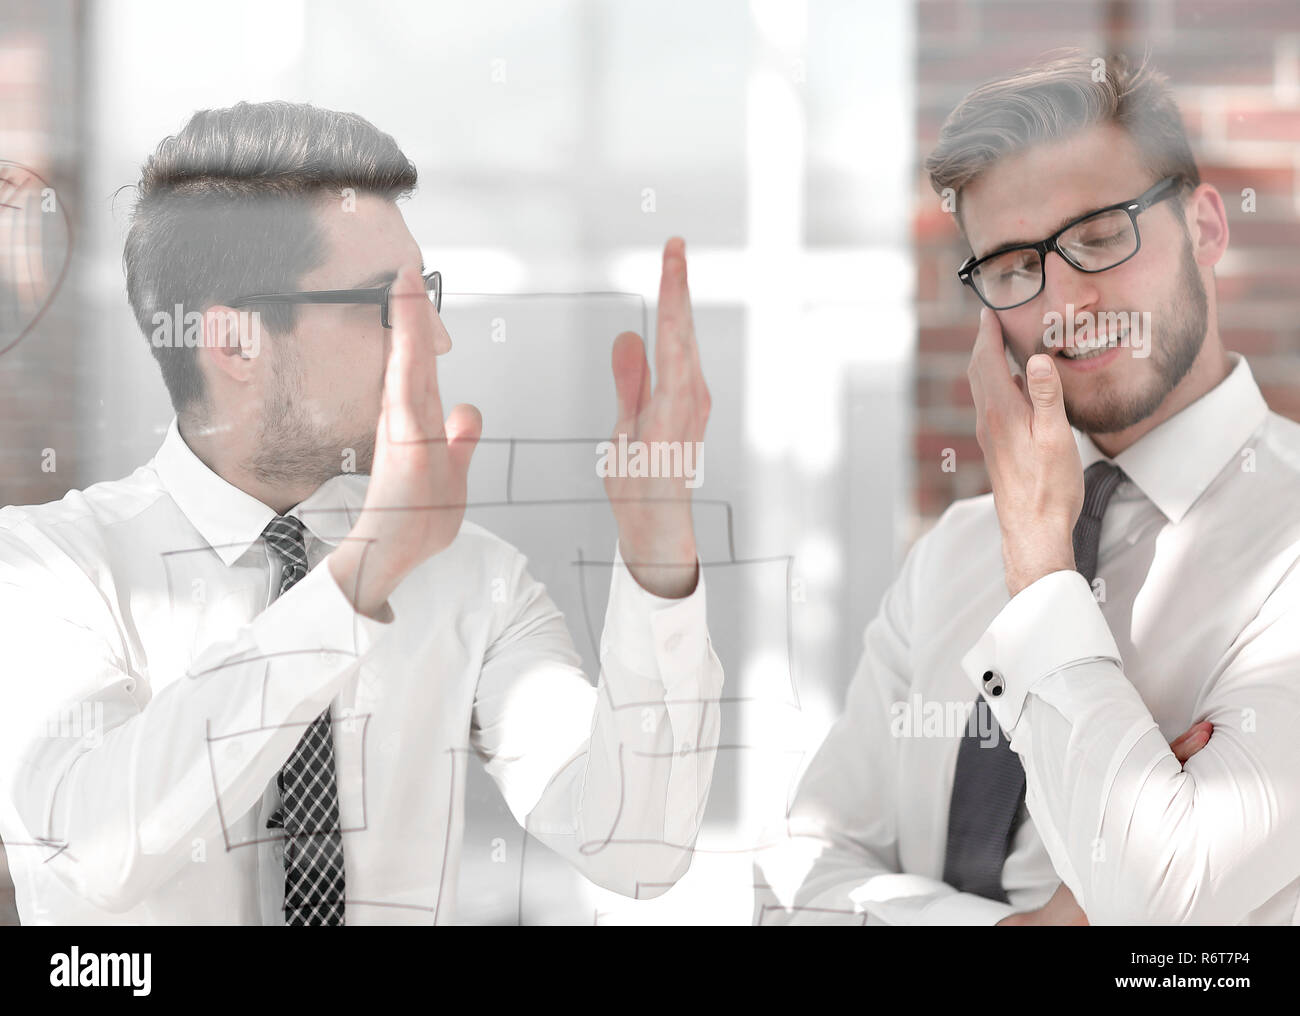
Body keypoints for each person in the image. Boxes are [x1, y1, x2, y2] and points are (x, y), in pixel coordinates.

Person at [0, 101, 721, 925]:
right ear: (235, 342)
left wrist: (662, 564)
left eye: (429, 297)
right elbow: (88, 850)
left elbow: (638, 846)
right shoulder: (45, 567)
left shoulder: (468, 572)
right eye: (391, 304)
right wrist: (356, 582)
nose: (439, 342)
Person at [756, 51, 1300, 925]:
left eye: (1099, 237)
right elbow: (792, 885)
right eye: (1014, 266)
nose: (1066, 303)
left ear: (1205, 228)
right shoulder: (954, 555)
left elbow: (1159, 912)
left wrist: (1046, 573)